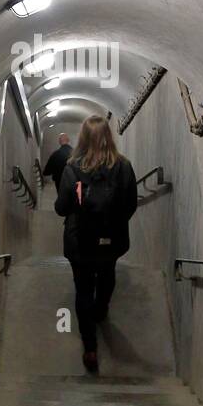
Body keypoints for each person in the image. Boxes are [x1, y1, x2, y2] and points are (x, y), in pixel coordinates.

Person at [54, 115, 138, 374]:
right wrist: (111, 224)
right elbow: (130, 204)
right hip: (110, 241)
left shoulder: (73, 167)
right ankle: (101, 309)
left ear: (83, 138)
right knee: (107, 274)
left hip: (80, 241)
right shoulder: (124, 166)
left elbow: (62, 207)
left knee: (82, 288)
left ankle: (90, 348)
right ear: (109, 136)